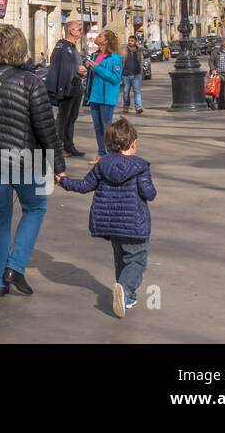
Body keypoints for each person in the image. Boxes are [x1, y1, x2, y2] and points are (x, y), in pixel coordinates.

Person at [0, 24, 66, 298]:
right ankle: (15, 267)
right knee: (35, 208)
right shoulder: (32, 82)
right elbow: (46, 127)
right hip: (25, 158)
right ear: (22, 50)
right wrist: (58, 166)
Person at [59, 116, 156, 319]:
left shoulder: (102, 165)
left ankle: (127, 296)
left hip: (110, 224)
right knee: (137, 260)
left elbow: (85, 186)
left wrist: (64, 181)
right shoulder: (140, 166)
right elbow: (149, 194)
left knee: (121, 258)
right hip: (134, 224)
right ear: (133, 144)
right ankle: (125, 289)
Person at [46, 20, 87, 157]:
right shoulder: (62, 46)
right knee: (63, 118)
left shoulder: (73, 46)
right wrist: (61, 90)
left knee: (71, 118)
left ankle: (69, 145)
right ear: (72, 31)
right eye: (79, 29)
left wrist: (80, 70)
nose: (81, 31)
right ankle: (58, 147)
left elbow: (71, 66)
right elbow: (59, 68)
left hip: (76, 87)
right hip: (67, 88)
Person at [84, 29, 122, 161]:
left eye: (100, 35)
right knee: (97, 127)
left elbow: (115, 78)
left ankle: (111, 155)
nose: (97, 36)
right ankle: (101, 154)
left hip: (106, 98)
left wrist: (97, 68)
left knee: (107, 128)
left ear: (106, 40)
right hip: (94, 96)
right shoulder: (95, 55)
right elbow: (92, 76)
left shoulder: (115, 58)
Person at [210, 36, 225, 110]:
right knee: (217, 86)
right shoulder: (215, 52)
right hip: (218, 73)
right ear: (222, 46)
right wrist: (213, 69)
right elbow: (210, 61)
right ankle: (215, 102)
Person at [120, 35, 144, 116]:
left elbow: (141, 61)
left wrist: (141, 73)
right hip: (126, 75)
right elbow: (120, 61)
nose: (130, 42)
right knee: (126, 92)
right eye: (129, 40)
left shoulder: (139, 50)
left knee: (137, 91)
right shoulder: (124, 50)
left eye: (132, 41)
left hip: (136, 74)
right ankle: (126, 107)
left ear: (135, 42)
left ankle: (138, 107)